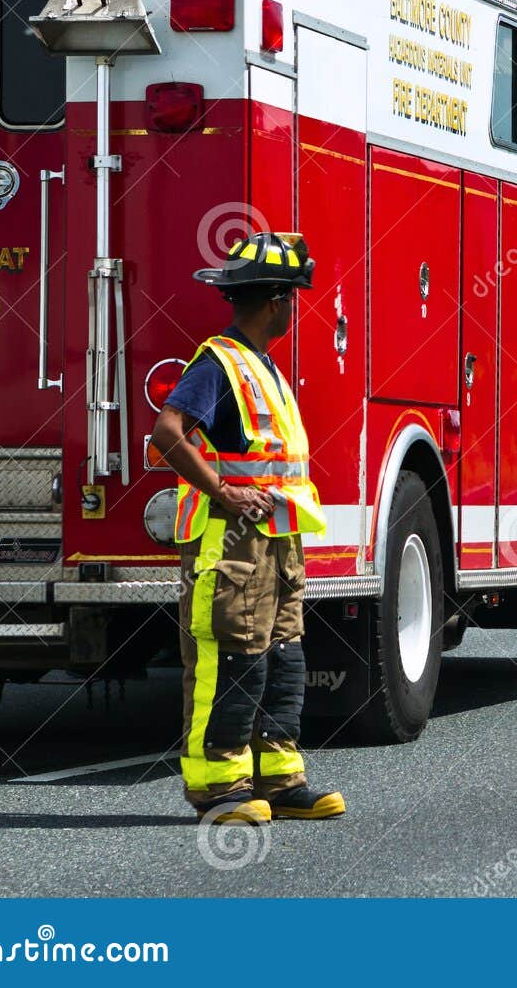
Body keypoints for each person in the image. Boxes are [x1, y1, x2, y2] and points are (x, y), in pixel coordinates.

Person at [149, 231, 345, 825]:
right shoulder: (219, 361)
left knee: (280, 655)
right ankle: (220, 789)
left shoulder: (260, 365)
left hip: (275, 544)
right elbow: (167, 433)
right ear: (277, 301)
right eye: (293, 299)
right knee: (229, 657)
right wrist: (223, 491)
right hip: (228, 543)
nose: (295, 309)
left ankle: (280, 779)